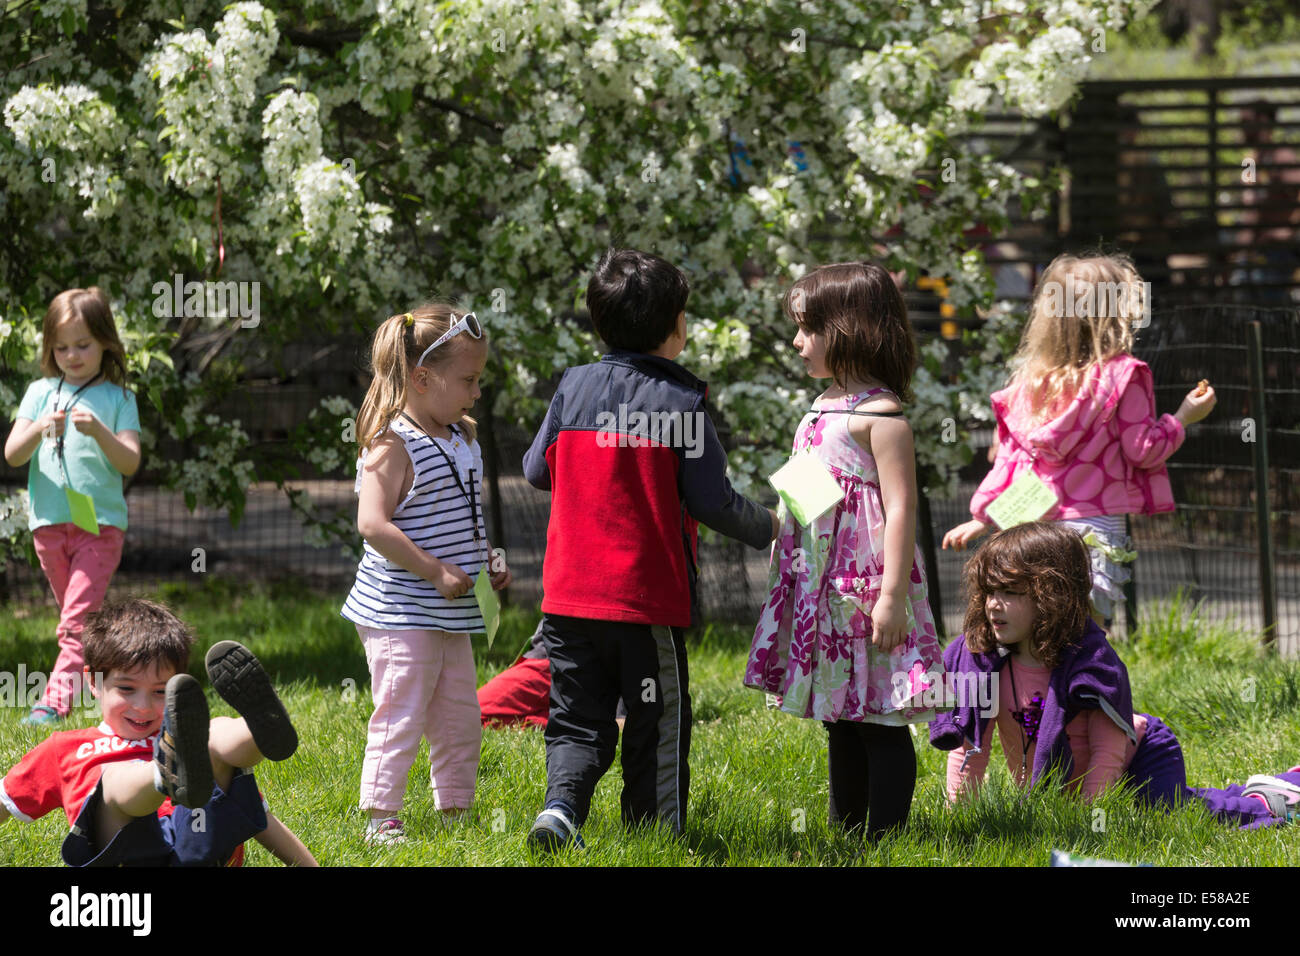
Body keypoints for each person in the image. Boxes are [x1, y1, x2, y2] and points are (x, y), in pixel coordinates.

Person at [522, 247, 778, 850]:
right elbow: (714, 502)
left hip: (567, 600)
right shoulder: (682, 405)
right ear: (674, 328)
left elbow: (537, 469)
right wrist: (773, 527)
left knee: (577, 718)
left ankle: (561, 811)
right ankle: (655, 836)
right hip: (642, 605)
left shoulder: (572, 386)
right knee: (655, 720)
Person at [744, 261, 944, 841]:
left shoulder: (882, 420)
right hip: (822, 592)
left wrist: (890, 598)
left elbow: (902, 508)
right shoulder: (820, 408)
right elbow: (808, 490)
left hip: (866, 593)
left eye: (809, 329)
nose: (796, 341)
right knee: (840, 715)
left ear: (850, 329)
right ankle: (848, 834)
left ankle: (887, 838)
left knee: (880, 716)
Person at [932, 522, 1299, 830]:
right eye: (990, 591)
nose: (994, 604)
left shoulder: (1091, 663)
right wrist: (959, 819)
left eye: (1010, 592)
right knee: (1178, 803)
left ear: (1052, 598)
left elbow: (1108, 751)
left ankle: (1271, 802)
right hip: (1067, 788)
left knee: (1171, 815)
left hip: (1140, 755)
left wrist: (1090, 818)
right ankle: (1262, 786)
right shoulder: (981, 661)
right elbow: (969, 747)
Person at [942, 253, 1217, 622]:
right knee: (1086, 636)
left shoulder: (1031, 383)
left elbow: (1011, 461)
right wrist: (1183, 417)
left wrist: (983, 517)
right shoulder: (1124, 376)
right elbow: (1143, 450)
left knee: (1040, 634)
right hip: (1095, 527)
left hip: (1035, 529)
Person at [341, 305, 511, 846]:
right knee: (401, 713)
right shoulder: (393, 443)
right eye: (468, 380)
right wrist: (435, 570)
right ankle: (379, 817)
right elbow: (371, 523)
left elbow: (461, 513)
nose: (475, 392)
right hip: (399, 612)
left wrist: (485, 560)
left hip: (449, 612)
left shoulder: (461, 436)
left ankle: (456, 810)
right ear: (421, 378)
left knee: (460, 715)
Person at [0, 599, 316, 866]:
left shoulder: (189, 733)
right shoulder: (65, 749)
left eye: (161, 691)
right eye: (127, 688)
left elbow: (258, 817)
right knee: (113, 783)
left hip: (199, 842)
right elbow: (6, 799)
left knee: (213, 734)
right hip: (127, 854)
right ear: (93, 682)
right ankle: (162, 773)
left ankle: (257, 728)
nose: (143, 707)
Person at [4, 288, 141, 727]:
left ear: (105, 341)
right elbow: (12, 454)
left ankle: (52, 703)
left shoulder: (119, 400)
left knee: (77, 619)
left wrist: (101, 432)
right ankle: (102, 681)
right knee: (79, 623)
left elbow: (130, 460)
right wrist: (41, 427)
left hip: (99, 526)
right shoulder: (39, 393)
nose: (72, 355)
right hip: (48, 524)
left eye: (83, 345)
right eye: (61, 347)